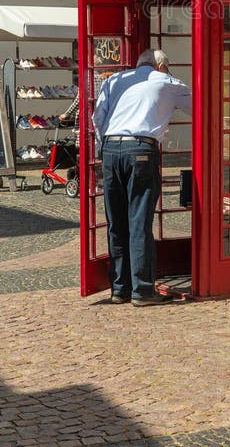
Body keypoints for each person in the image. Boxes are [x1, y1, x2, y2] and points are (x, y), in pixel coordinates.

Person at [92, 48, 191, 307]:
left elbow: (98, 118)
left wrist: (104, 149)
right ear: (161, 66)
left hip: (111, 150)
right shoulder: (167, 81)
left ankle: (119, 288)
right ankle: (143, 291)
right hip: (141, 150)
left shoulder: (114, 81)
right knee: (139, 220)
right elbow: (201, 108)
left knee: (116, 222)